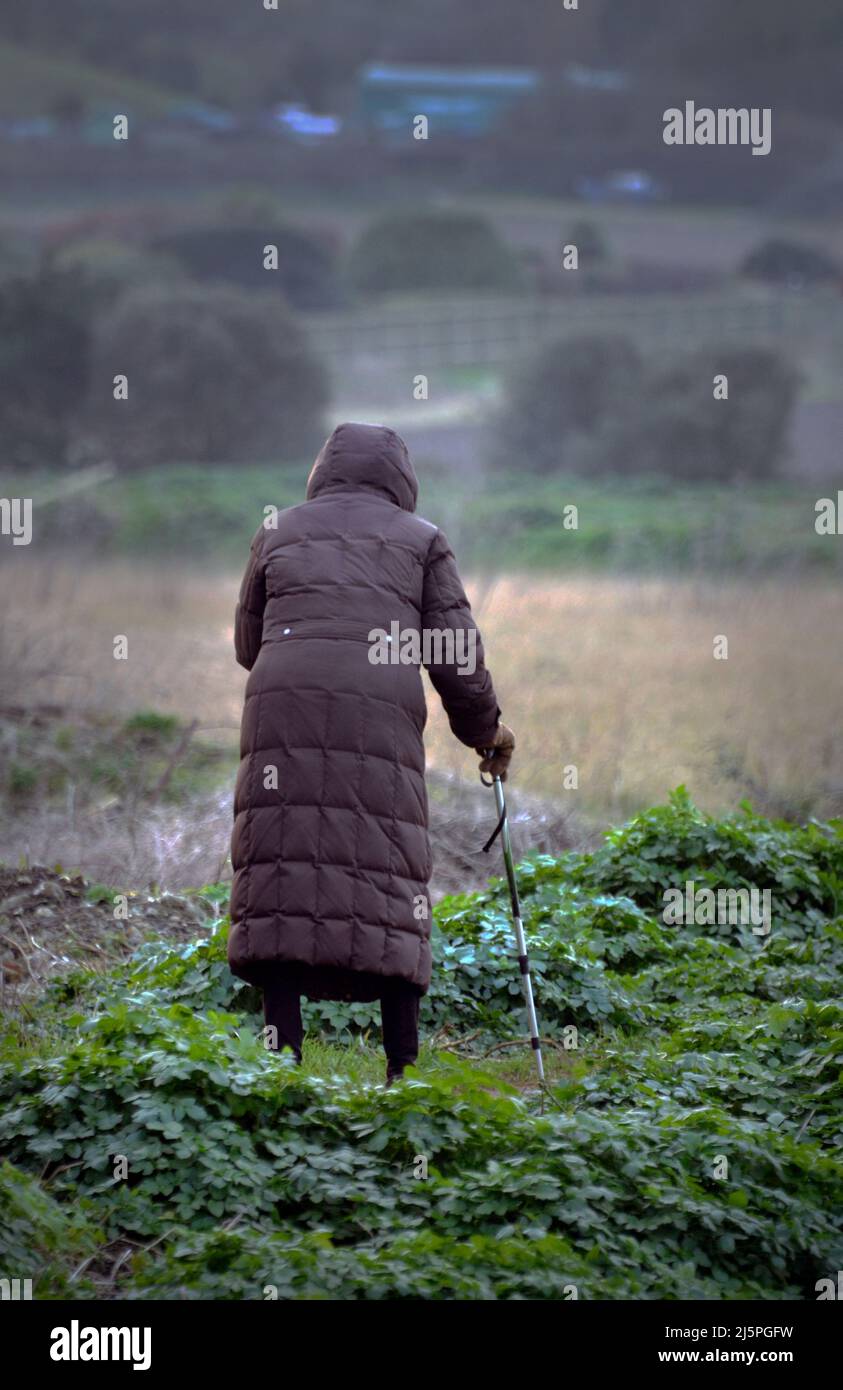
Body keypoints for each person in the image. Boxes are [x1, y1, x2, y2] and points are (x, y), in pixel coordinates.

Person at [228, 422, 515, 1084]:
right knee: (386, 867)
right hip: (380, 710)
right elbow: (452, 651)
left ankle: (282, 1059)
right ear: (400, 479)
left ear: (321, 471)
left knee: (280, 863)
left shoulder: (278, 529)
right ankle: (401, 1068)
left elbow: (248, 644)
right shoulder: (420, 540)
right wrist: (484, 732)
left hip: (281, 705)